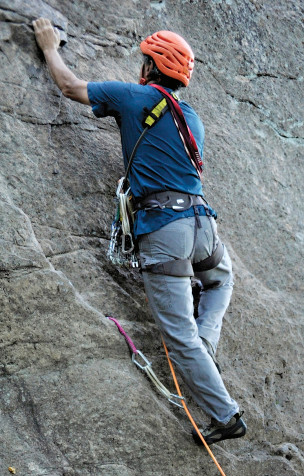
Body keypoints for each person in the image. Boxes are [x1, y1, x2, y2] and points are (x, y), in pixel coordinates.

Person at [32, 18, 246, 446]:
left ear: (150, 65)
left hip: (166, 229)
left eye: (143, 60)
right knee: (220, 280)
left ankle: (225, 416)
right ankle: (206, 352)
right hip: (204, 228)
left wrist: (49, 47)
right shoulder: (192, 118)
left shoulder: (133, 96)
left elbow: (71, 87)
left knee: (178, 334)